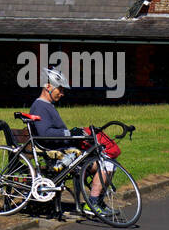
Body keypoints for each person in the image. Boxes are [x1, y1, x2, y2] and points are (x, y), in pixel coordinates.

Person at [29, 68, 109, 210]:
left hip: (62, 149)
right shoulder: (40, 107)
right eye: (59, 89)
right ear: (48, 86)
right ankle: (93, 203)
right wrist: (69, 133)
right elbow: (45, 133)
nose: (62, 93)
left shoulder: (47, 106)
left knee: (105, 160)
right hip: (55, 152)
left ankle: (96, 201)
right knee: (105, 164)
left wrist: (76, 135)